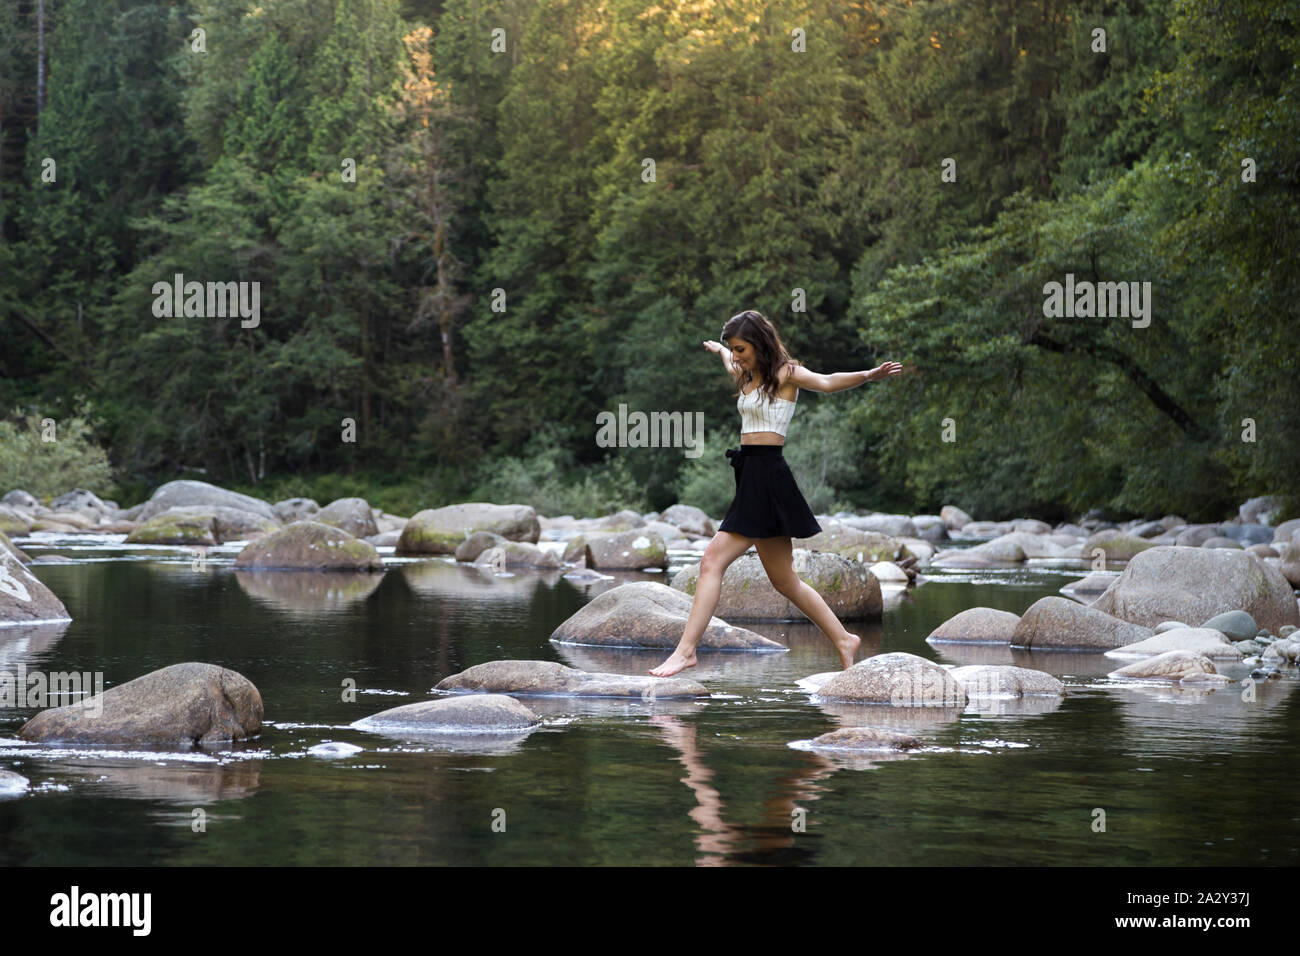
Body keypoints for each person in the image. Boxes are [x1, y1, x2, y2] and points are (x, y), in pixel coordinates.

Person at [649, 309, 904, 678]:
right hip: (751, 473)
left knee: (711, 562)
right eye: (733, 351)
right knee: (785, 581)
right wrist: (719, 351)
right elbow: (728, 364)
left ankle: (686, 652)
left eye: (740, 349)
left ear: (760, 343)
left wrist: (869, 374)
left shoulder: (786, 373)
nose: (735, 356)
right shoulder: (746, 374)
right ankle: (845, 639)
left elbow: (828, 382)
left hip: (767, 476)